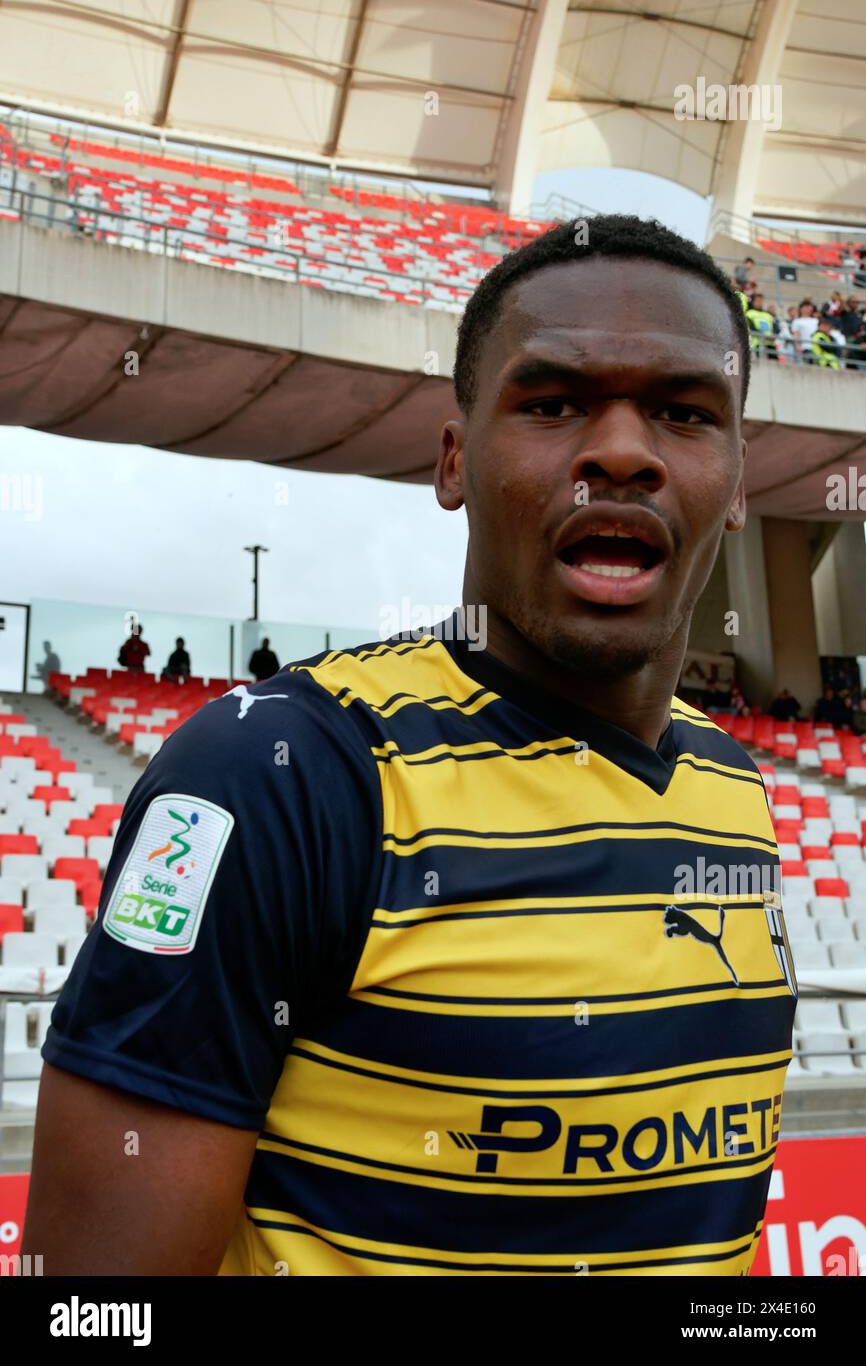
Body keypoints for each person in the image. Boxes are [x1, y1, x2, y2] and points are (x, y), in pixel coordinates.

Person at [26, 215, 794, 1279]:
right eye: (552, 401)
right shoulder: (277, 776)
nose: (620, 450)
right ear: (452, 460)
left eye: (681, 411)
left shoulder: (733, 785)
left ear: (739, 483)